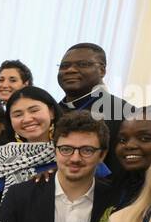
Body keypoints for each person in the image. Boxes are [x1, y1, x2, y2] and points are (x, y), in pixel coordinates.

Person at [57, 42, 135, 174]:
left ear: (102, 70)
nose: (70, 70)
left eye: (82, 64)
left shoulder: (124, 112)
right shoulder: (50, 111)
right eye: (64, 66)